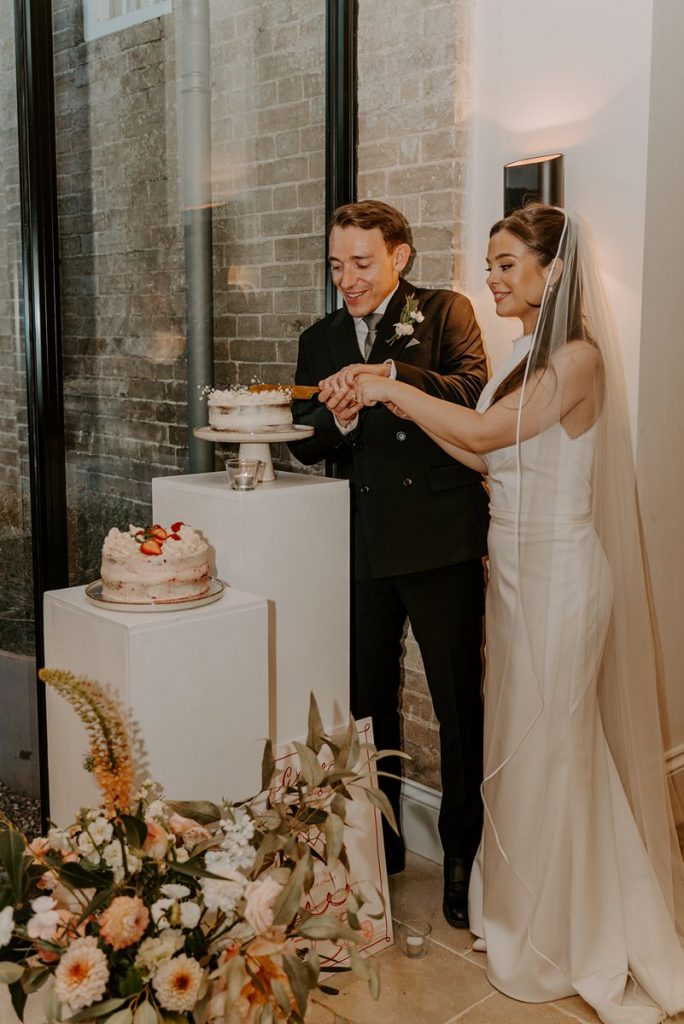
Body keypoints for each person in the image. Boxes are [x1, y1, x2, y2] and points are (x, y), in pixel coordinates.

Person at [351, 203, 684, 1023]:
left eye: (506, 264)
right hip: (516, 573)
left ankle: (568, 933)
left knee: (554, 751)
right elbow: (474, 448)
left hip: (563, 576)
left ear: (553, 269)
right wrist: (395, 406)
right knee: (524, 750)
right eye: (489, 265)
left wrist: (393, 383)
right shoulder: (527, 353)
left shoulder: (577, 360)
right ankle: (530, 912)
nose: (492, 278)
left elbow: (485, 431)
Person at [288, 200, 489, 927]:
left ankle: (464, 857)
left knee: (457, 705)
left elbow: (473, 397)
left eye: (362, 263)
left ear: (399, 256)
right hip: (360, 547)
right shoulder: (319, 337)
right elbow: (302, 442)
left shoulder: (447, 313)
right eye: (337, 265)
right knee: (369, 708)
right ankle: (384, 846)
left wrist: (388, 378)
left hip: (441, 541)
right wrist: (338, 417)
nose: (348, 278)